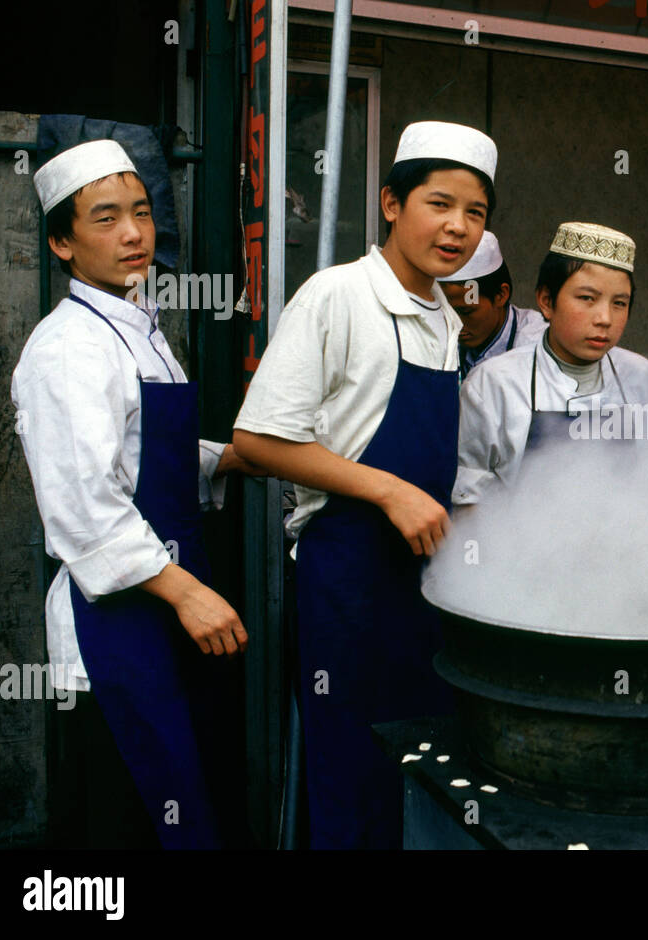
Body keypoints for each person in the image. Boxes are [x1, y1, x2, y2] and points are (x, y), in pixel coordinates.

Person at [232, 120, 496, 849]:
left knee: (424, 759)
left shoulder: (445, 316)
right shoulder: (337, 294)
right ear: (390, 202)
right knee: (350, 764)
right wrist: (386, 489)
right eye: (439, 204)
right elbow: (258, 439)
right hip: (346, 577)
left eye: (475, 214)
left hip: (423, 580)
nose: (457, 227)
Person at [12, 139, 253, 848]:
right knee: (130, 812)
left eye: (142, 214)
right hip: (118, 620)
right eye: (105, 218)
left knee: (185, 796)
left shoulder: (141, 328)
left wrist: (234, 458)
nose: (133, 234)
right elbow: (86, 505)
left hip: (171, 603)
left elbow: (146, 453)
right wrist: (185, 592)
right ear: (62, 242)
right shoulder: (66, 350)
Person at [453, 222, 648, 507]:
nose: (604, 318)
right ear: (546, 301)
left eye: (619, 303)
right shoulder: (491, 385)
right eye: (587, 298)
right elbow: (469, 501)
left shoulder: (643, 377)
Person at [438, 230, 545, 379]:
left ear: (500, 295)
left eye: (466, 311)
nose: (454, 324)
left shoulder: (539, 351)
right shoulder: (436, 337)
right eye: (445, 312)